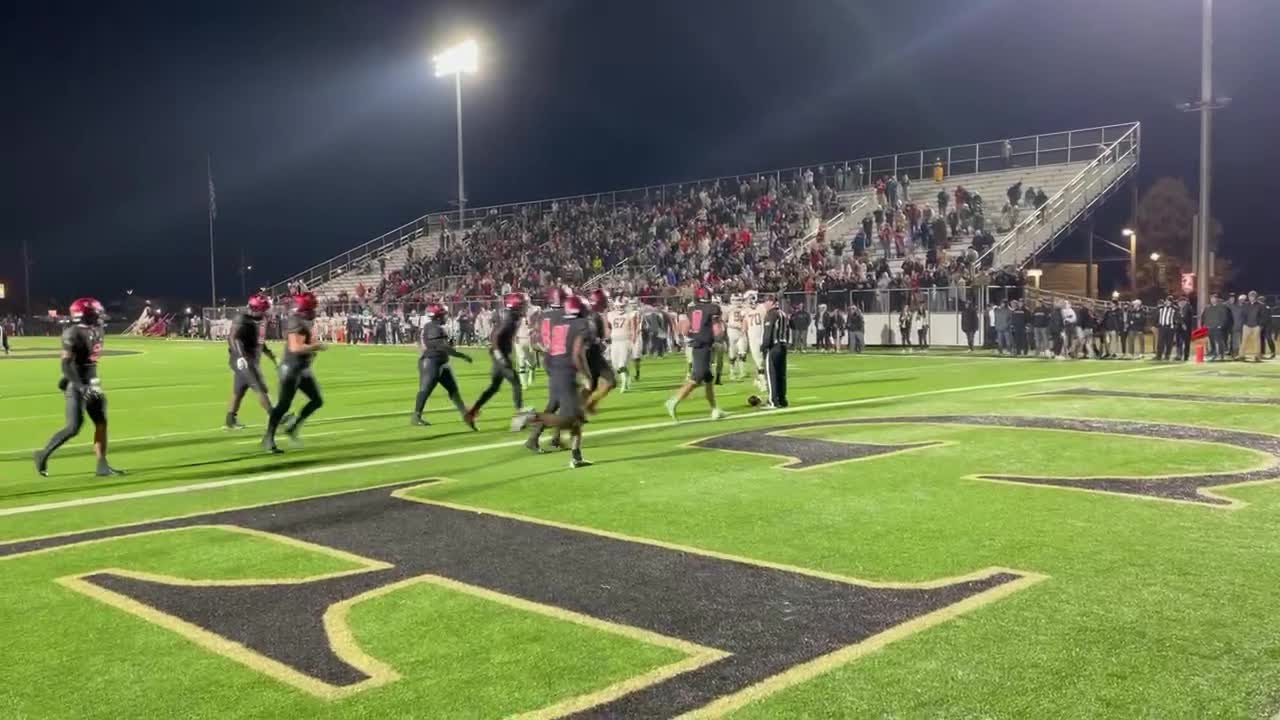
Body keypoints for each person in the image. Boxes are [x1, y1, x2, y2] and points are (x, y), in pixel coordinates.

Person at [33, 298, 124, 477]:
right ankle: (42, 454)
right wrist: (78, 385)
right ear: (83, 315)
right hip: (79, 384)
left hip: (93, 382)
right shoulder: (72, 333)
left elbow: (85, 360)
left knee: (101, 422)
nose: (98, 317)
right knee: (73, 427)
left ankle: (102, 464)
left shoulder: (98, 330)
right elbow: (66, 365)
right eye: (94, 313)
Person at [515, 295, 593, 468]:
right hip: (566, 372)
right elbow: (577, 355)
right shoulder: (580, 325)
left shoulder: (559, 324)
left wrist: (553, 372)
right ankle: (531, 417)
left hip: (555, 369)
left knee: (577, 417)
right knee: (569, 420)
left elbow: (548, 350)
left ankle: (576, 457)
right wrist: (587, 376)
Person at [262, 292, 327, 453]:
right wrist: (316, 347)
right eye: (312, 308)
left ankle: (293, 427)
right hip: (291, 369)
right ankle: (268, 438)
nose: (314, 312)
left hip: (302, 369)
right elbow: (295, 347)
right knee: (283, 406)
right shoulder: (295, 321)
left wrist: (312, 348)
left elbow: (308, 341)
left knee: (317, 400)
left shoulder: (303, 321)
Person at [665, 287, 728, 422]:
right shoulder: (713, 308)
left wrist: (696, 334)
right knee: (697, 378)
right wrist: (719, 339)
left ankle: (715, 409)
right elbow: (717, 330)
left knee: (708, 379)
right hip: (704, 346)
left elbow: (685, 330)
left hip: (696, 344)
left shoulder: (692, 309)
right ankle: (673, 401)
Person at [467, 293, 528, 424]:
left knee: (494, 387)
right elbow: (495, 337)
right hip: (500, 356)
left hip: (499, 355)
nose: (525, 307)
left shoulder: (513, 316)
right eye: (523, 304)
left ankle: (472, 411)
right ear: (517, 306)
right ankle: (520, 415)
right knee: (516, 383)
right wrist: (500, 356)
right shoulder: (510, 318)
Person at [225, 294, 278, 430]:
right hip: (243, 359)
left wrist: (270, 354)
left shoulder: (259, 320)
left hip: (250, 358)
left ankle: (230, 419)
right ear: (257, 308)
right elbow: (233, 339)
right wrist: (241, 356)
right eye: (265, 308)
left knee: (239, 390)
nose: (267, 311)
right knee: (259, 386)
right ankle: (275, 415)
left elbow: (259, 341)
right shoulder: (243, 319)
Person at [583, 288, 616, 412]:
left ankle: (584, 406)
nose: (606, 303)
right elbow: (602, 336)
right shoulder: (593, 316)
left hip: (590, 354)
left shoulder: (589, 314)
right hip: (590, 354)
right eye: (605, 301)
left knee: (594, 384)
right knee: (607, 381)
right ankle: (585, 406)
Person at [761, 294, 789, 408]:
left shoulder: (771, 314)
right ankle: (782, 399)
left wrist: (764, 346)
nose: (764, 304)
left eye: (765, 302)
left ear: (771, 302)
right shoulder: (782, 313)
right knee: (781, 374)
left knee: (771, 374)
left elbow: (768, 333)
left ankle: (773, 400)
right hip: (783, 345)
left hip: (774, 347)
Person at [605, 294, 638, 391]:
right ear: (615, 306)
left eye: (622, 306)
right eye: (619, 306)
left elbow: (633, 328)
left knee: (621, 364)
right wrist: (607, 337)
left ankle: (624, 383)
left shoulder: (630, 314)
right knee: (615, 365)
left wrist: (633, 339)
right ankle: (626, 376)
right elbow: (607, 328)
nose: (620, 308)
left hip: (625, 340)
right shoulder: (610, 314)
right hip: (614, 341)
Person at [724, 293, 750, 380]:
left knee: (742, 353)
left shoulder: (745, 308)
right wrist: (731, 325)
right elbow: (724, 320)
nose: (737, 302)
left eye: (739, 300)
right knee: (732, 354)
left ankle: (742, 371)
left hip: (741, 332)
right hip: (732, 331)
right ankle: (732, 372)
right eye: (735, 300)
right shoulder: (728, 309)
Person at [1201, 293, 1229, 361]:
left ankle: (1221, 355)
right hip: (1210, 327)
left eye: (1214, 298)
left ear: (1217, 299)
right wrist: (1205, 325)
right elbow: (1204, 317)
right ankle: (1214, 354)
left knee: (1220, 342)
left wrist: (1221, 325)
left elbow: (1225, 317)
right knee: (1212, 342)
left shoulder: (1222, 307)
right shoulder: (1207, 307)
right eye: (1211, 298)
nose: (1213, 300)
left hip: (1218, 327)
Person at [1241, 291, 1265, 362]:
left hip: (1256, 326)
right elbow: (1243, 315)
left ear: (1255, 297)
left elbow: (1262, 316)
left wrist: (1260, 325)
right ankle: (1241, 355)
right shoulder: (1245, 305)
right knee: (1243, 341)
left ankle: (1257, 356)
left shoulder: (1260, 305)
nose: (1251, 298)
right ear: (1248, 297)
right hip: (1246, 325)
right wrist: (1244, 323)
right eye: (1250, 296)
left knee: (1257, 342)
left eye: (1253, 296)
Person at [1155, 297, 1178, 361]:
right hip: (1162, 327)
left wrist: (1175, 325)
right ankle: (1159, 356)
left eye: (1169, 301)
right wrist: (1155, 324)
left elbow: (1177, 318)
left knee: (1169, 342)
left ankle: (1167, 355)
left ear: (1171, 302)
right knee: (1160, 342)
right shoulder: (1161, 308)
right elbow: (1156, 316)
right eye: (1167, 301)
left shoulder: (1174, 309)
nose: (1168, 302)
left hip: (1170, 327)